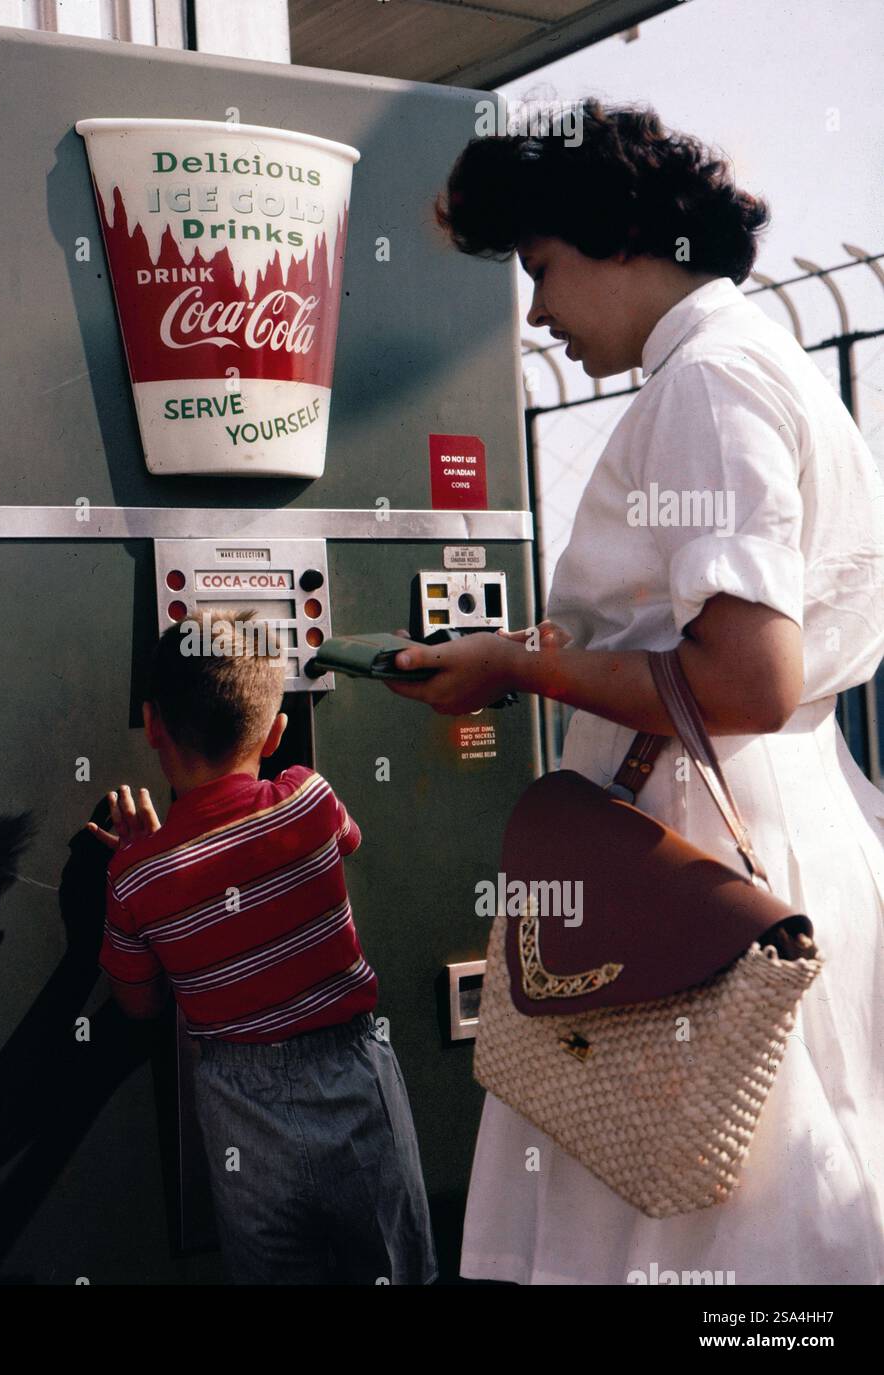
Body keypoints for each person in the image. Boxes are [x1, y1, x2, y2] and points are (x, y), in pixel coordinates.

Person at [387, 99, 884, 1284]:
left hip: (692, 869)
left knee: (688, 1216)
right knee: (753, 1215)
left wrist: (518, 663)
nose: (540, 315)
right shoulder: (756, 364)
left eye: (542, 269)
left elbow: (741, 679)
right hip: (760, 838)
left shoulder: (705, 386)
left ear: (616, 239)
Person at [87, 609, 437, 1285]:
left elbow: (139, 1003)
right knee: (396, 1268)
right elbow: (347, 843)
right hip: (351, 1078)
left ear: (152, 724)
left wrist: (150, 853)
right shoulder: (309, 799)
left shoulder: (135, 877)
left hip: (238, 1106)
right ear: (277, 732)